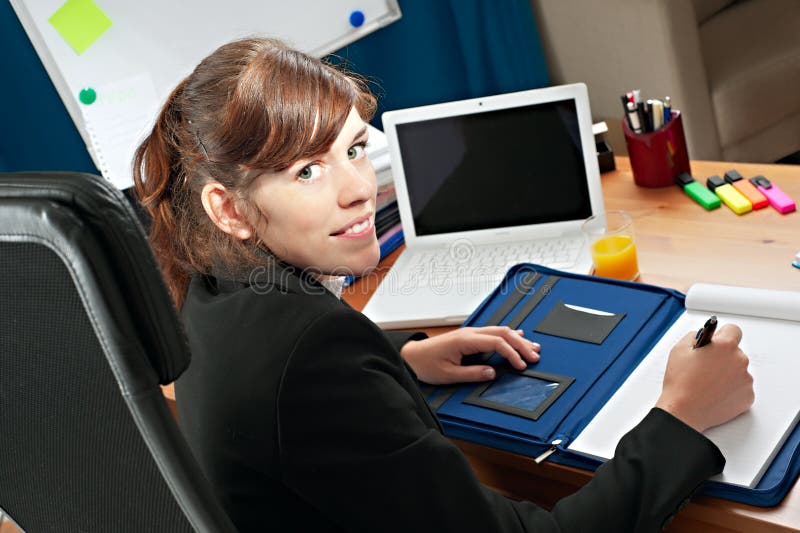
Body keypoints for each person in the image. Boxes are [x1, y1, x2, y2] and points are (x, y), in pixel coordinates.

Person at [133, 37, 754, 532]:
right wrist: (682, 415)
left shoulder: (207, 287)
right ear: (229, 209)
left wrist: (401, 358)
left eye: (353, 150)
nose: (357, 190)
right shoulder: (311, 352)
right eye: (306, 172)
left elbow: (293, 400)